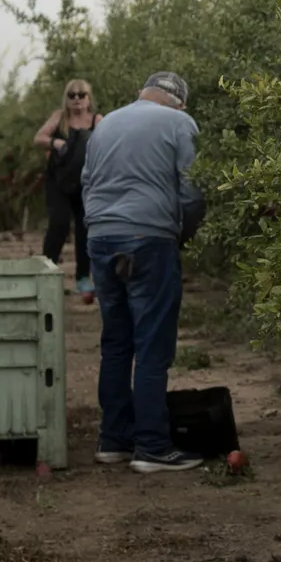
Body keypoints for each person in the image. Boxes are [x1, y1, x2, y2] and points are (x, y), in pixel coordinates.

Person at [81, 70, 204, 473]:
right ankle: (152, 446)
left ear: (143, 94)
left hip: (101, 238)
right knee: (152, 343)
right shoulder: (179, 124)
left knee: (117, 341)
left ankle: (113, 439)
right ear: (178, 101)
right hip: (147, 239)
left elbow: (86, 183)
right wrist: (181, 234)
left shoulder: (106, 124)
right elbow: (191, 190)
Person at [33, 79, 99, 303]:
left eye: (82, 95)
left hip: (86, 184)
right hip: (59, 182)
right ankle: (47, 274)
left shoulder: (97, 120)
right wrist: (55, 143)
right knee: (58, 225)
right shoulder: (59, 118)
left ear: (89, 98)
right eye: (72, 95)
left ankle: (83, 278)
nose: (77, 99)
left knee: (85, 230)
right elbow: (38, 138)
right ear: (66, 98)